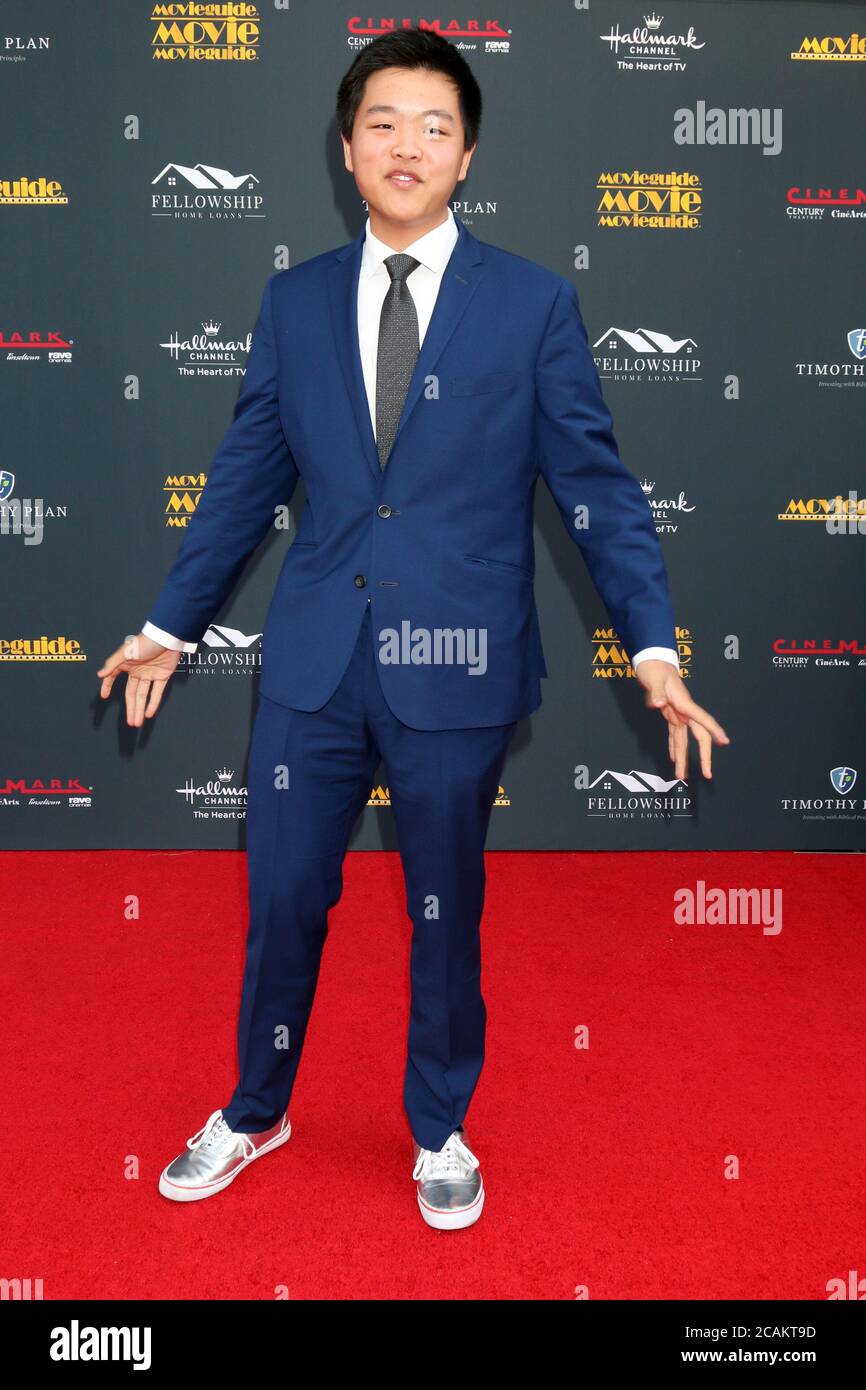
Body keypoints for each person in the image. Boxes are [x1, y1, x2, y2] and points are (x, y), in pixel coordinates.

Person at [97, 27, 729, 1231]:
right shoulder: (291, 303)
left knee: (444, 899)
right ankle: (255, 1105)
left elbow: (593, 487)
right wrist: (166, 625)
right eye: (382, 122)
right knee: (282, 889)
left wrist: (649, 644)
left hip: (460, 663)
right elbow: (242, 480)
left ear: (466, 154)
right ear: (345, 148)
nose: (407, 144)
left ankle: (439, 1123)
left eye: (434, 126)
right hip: (315, 664)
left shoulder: (533, 304)